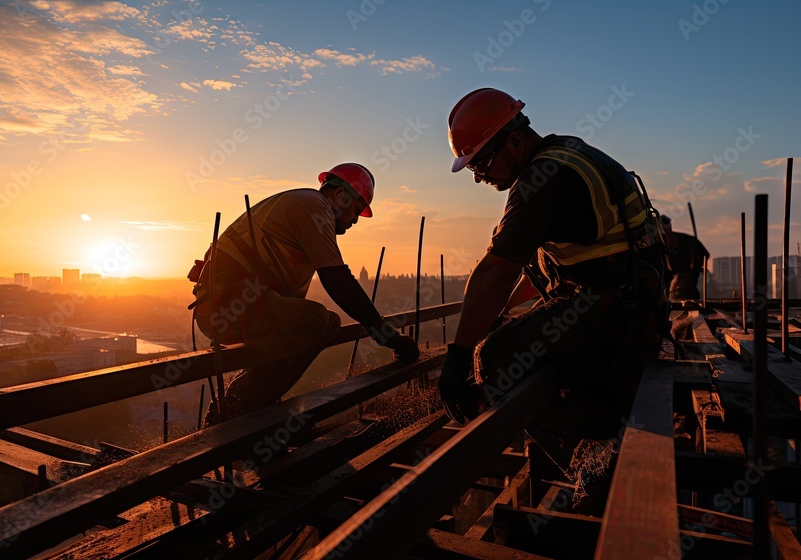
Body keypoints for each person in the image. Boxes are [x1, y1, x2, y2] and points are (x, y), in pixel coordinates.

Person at [437, 88, 668, 508]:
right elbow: (566, 263)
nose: (480, 176)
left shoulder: (541, 180)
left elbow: (497, 269)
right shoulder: (570, 155)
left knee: (496, 359)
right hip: (631, 311)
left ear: (515, 140)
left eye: (483, 162)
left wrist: (458, 356)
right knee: (518, 338)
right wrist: (501, 310)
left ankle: (594, 462)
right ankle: (598, 425)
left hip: (613, 318)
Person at [190, 163, 419, 425]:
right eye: (355, 210)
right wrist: (386, 335)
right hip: (227, 305)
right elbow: (338, 281)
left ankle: (254, 403)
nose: (355, 220)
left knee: (329, 323)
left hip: (240, 305)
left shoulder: (306, 214)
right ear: (341, 196)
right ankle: (238, 404)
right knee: (315, 320)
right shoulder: (313, 207)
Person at [660, 215, 710, 300]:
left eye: (665, 231)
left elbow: (705, 255)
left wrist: (696, 264)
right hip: (670, 293)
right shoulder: (659, 247)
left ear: (669, 230)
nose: (663, 235)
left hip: (689, 289)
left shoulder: (689, 242)